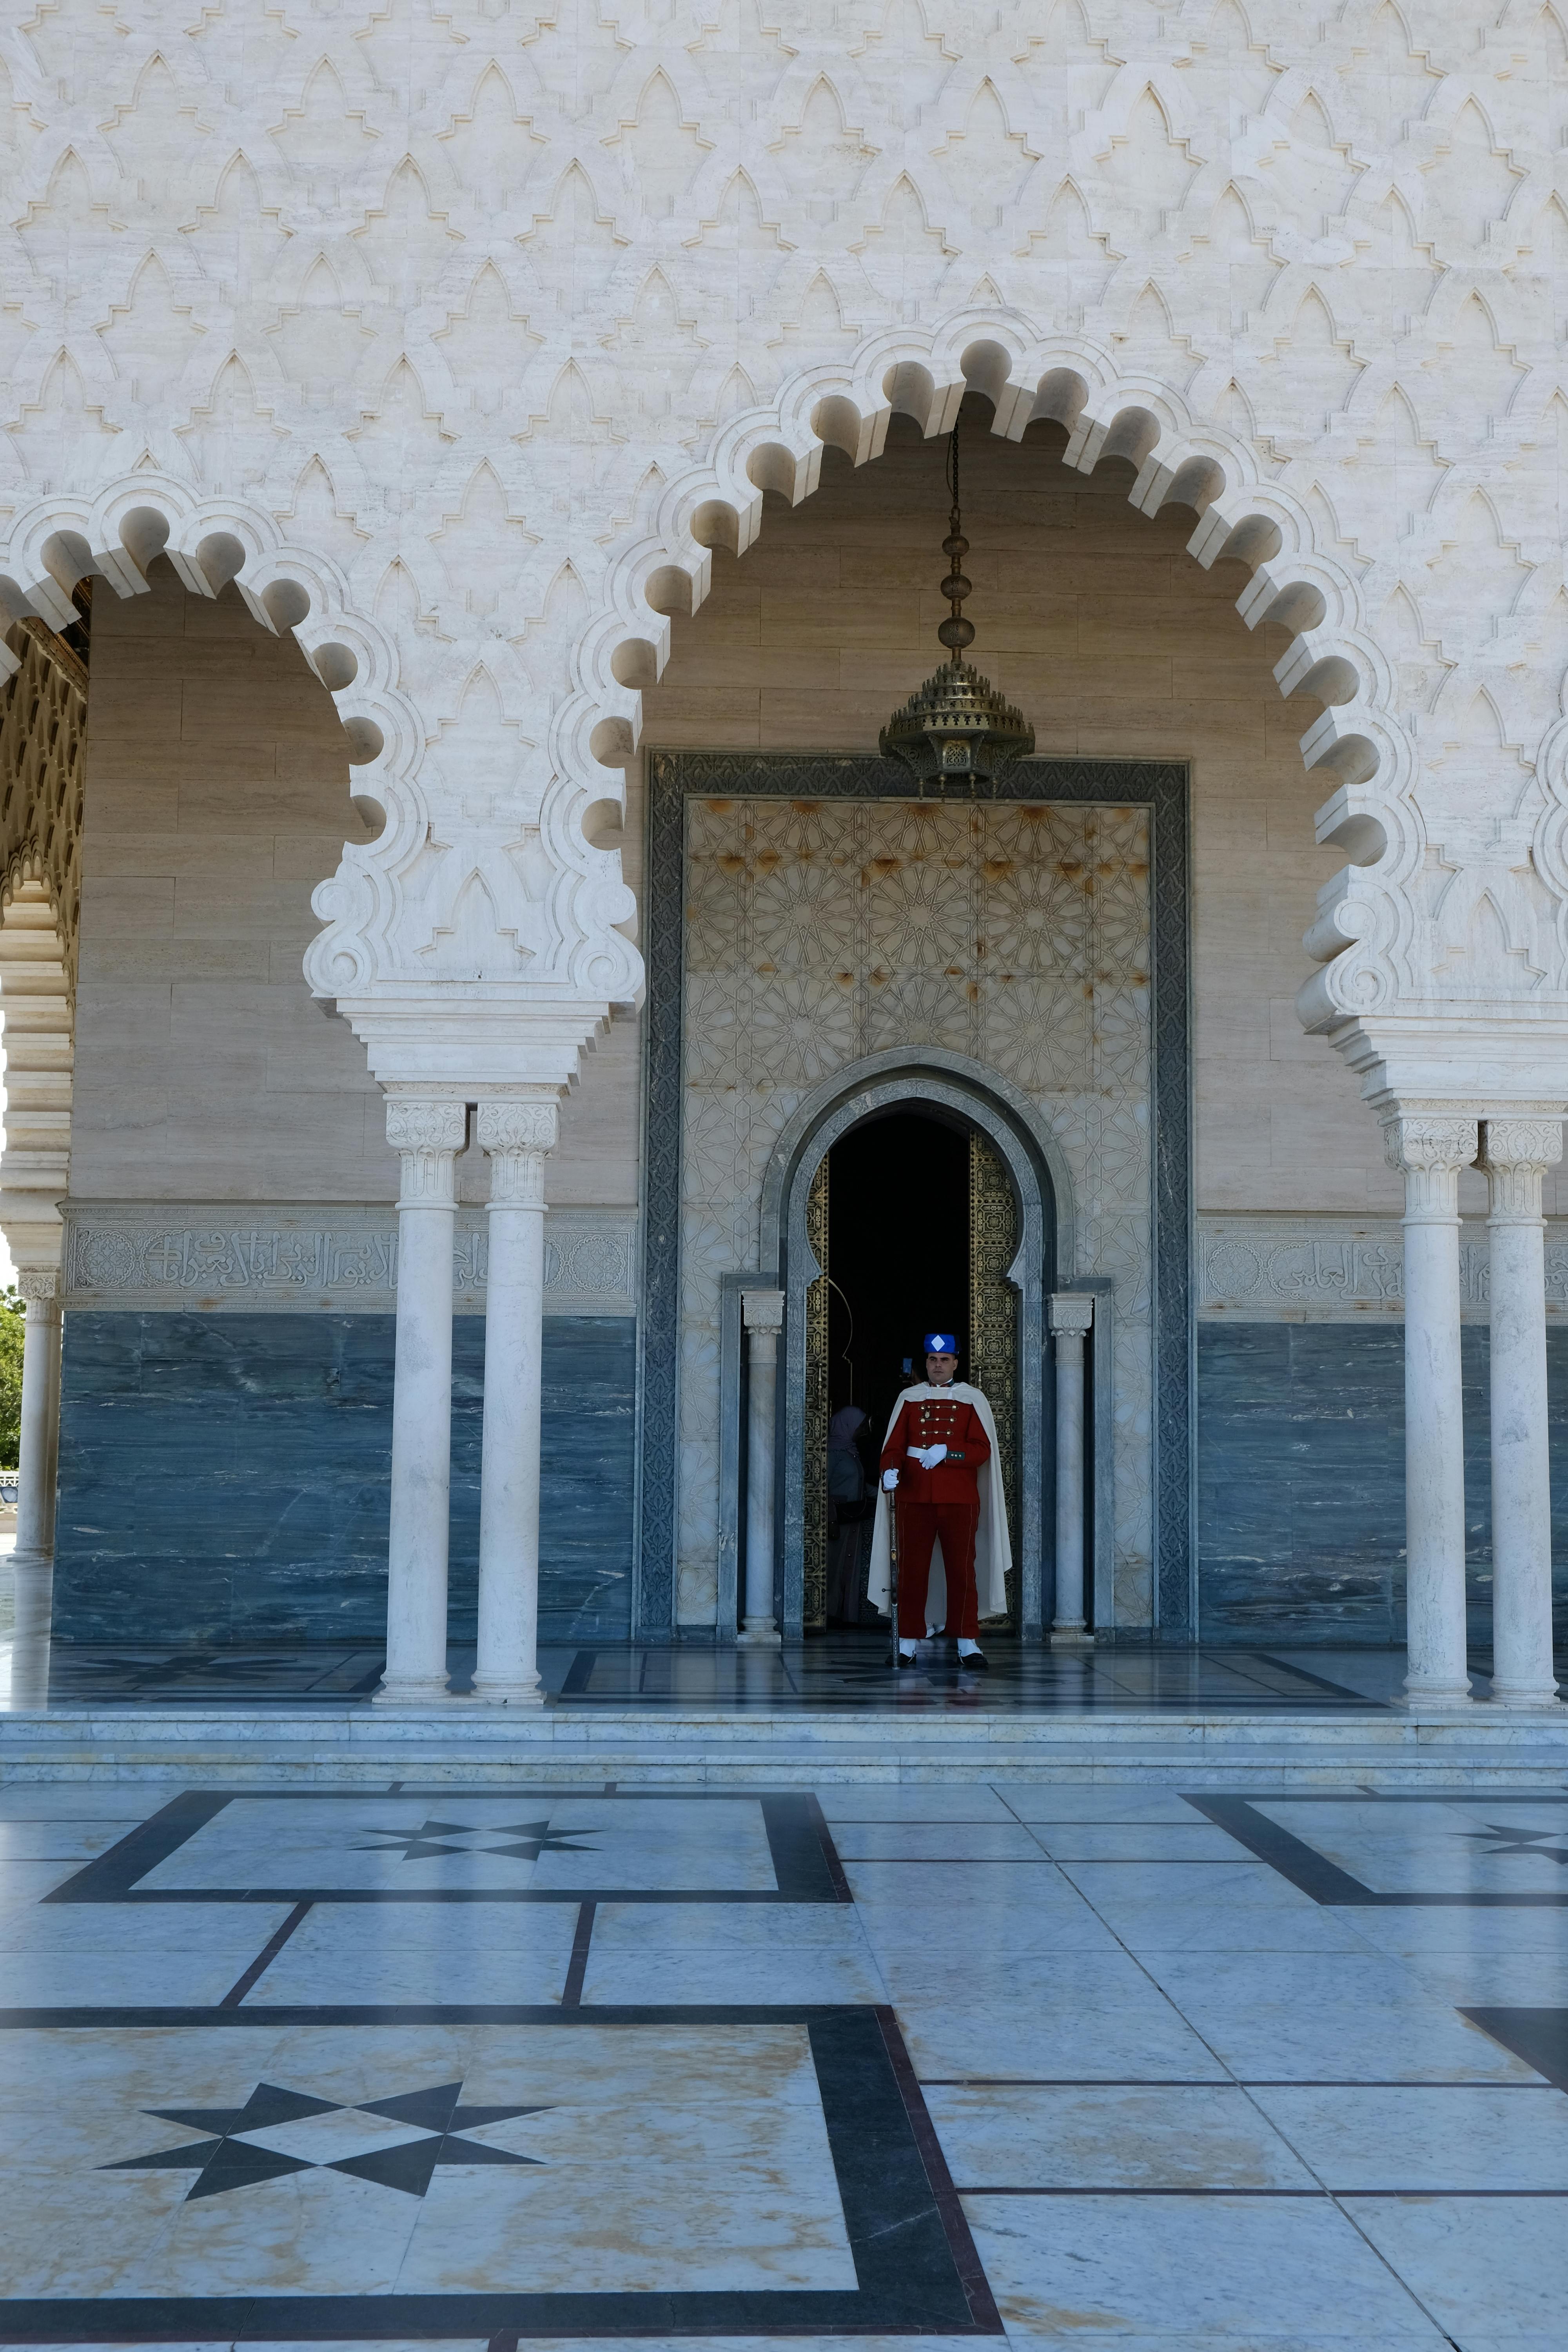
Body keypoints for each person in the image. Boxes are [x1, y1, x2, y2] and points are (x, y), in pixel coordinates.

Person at [867, 1333, 1011, 1668]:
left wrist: (949, 1452)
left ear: (956, 1363)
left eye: (944, 1360)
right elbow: (893, 1447)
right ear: (926, 1364)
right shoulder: (909, 1398)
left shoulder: (972, 1399)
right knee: (911, 1572)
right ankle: (908, 1642)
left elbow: (981, 1450)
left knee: (962, 1572)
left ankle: (966, 1642)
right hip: (914, 1497)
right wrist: (889, 1470)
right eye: (932, 1360)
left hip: (959, 1498)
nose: (938, 1365)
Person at [824, 1405, 877, 1626]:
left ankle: (844, 1614)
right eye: (860, 1425)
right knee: (833, 1568)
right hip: (837, 1521)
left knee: (847, 1568)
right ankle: (827, 1614)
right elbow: (822, 1489)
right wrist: (832, 1520)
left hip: (851, 1520)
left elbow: (859, 1484)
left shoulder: (850, 1451)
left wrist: (888, 1492)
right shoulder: (832, 1454)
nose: (863, 1430)